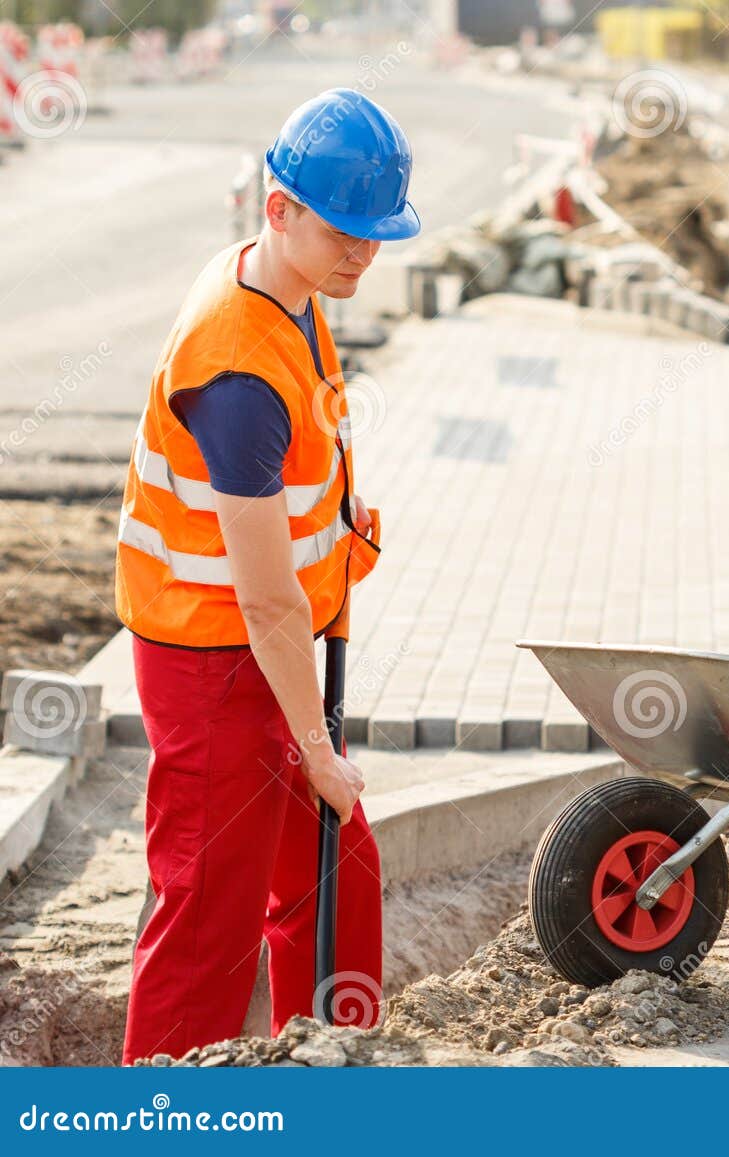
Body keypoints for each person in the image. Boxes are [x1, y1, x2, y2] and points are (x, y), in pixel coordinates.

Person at [117, 88, 420, 1063]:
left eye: (377, 234)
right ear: (278, 207)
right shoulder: (237, 372)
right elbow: (262, 594)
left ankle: (330, 1069)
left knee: (339, 874)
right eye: (345, 230)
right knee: (209, 915)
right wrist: (316, 750)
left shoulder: (291, 288)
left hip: (264, 654)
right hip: (217, 665)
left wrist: (337, 524)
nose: (363, 253)